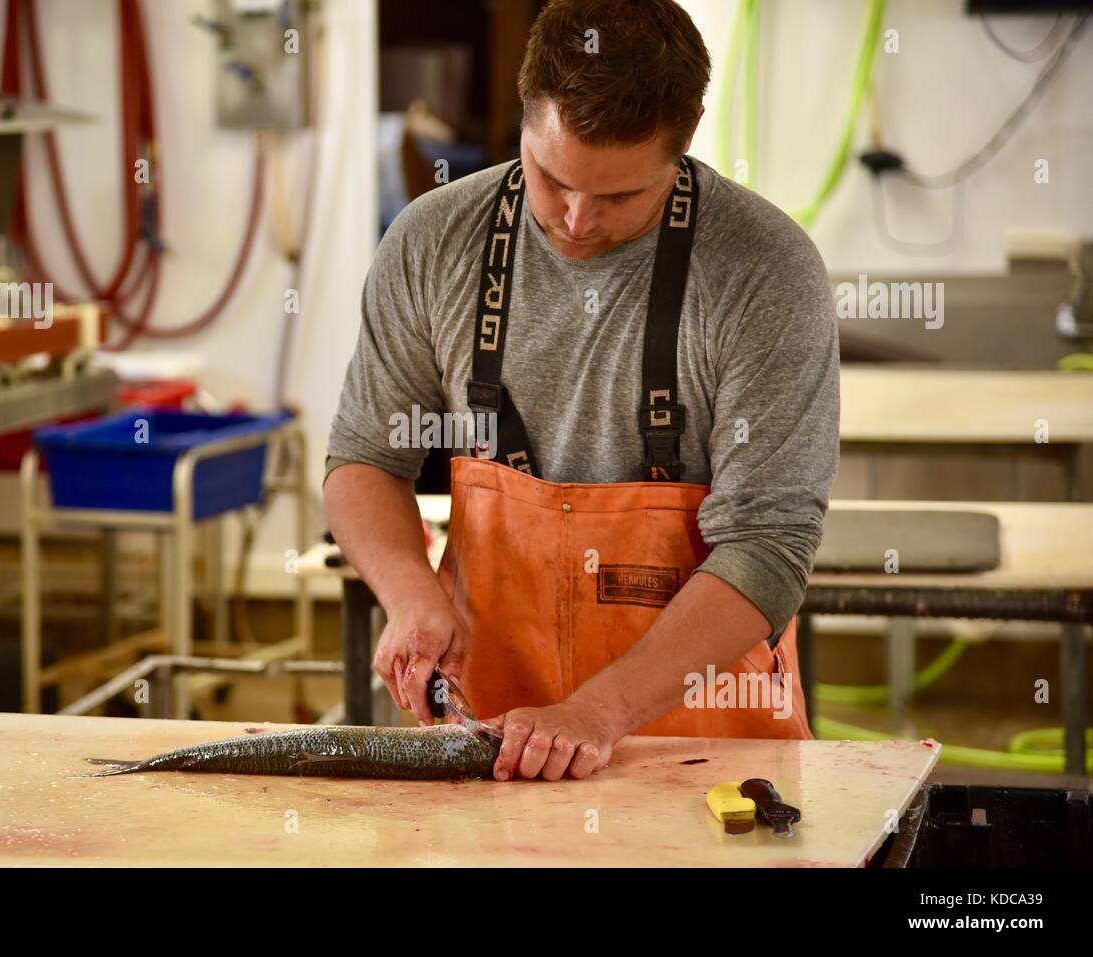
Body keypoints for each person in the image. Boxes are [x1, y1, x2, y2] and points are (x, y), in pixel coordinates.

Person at [323, 0, 838, 781]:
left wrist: (598, 713)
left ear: (688, 135)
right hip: (490, 734)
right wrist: (411, 591)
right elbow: (364, 458)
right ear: (522, 116)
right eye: (551, 178)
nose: (575, 220)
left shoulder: (766, 271)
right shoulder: (432, 242)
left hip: (704, 747)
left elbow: (767, 547)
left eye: (621, 197)